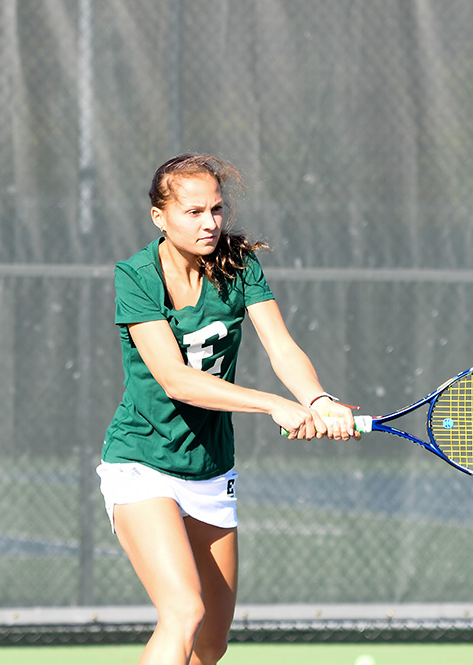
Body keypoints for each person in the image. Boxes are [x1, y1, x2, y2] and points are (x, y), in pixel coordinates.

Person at [97, 154, 358, 665]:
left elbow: (281, 348)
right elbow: (175, 380)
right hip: (141, 463)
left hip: (212, 472)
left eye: (216, 209)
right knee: (183, 613)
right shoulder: (135, 276)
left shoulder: (239, 266)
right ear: (160, 216)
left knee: (210, 645)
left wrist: (317, 399)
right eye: (193, 212)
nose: (210, 223)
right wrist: (273, 406)